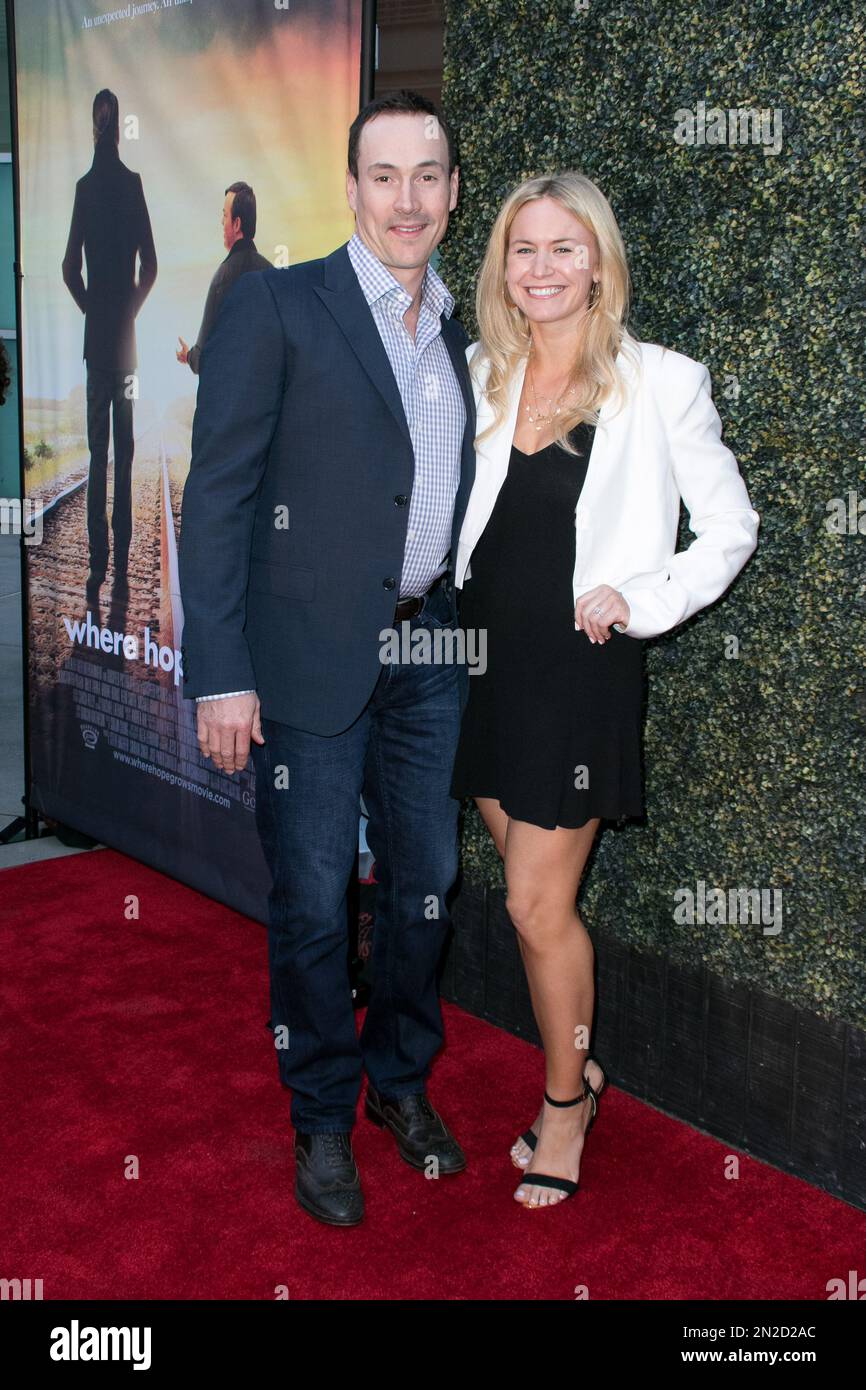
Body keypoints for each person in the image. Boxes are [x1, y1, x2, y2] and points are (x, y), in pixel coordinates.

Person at [178, 90, 478, 1227]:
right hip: (302, 663)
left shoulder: (461, 325)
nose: (407, 198)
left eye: (428, 175)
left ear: (452, 192)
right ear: (349, 188)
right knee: (311, 900)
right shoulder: (276, 307)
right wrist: (219, 669)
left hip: (430, 647)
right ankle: (319, 1117)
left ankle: (399, 1081)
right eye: (384, 175)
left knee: (426, 891)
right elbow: (218, 498)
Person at [450, 171, 760, 1210]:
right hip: (481, 666)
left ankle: (565, 1106)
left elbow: (729, 528)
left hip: (577, 677)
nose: (540, 268)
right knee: (532, 894)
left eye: (563, 248)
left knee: (536, 904)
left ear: (598, 264)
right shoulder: (479, 371)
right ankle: (574, 1067)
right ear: (501, 263)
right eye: (522, 248)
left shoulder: (659, 380)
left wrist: (642, 596)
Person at [62, 89, 157, 589]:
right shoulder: (132, 184)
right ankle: (122, 556)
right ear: (119, 127)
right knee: (126, 449)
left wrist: (93, 311)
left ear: (92, 127)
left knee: (97, 454)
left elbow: (67, 270)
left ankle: (98, 559)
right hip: (126, 348)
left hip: (96, 348)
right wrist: (128, 312)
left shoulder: (84, 188)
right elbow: (152, 266)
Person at [177, 182, 271, 374]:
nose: (221, 221)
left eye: (225, 215)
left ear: (237, 224)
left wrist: (188, 356)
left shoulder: (223, 278)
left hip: (231, 399)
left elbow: (204, 358)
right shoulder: (272, 275)